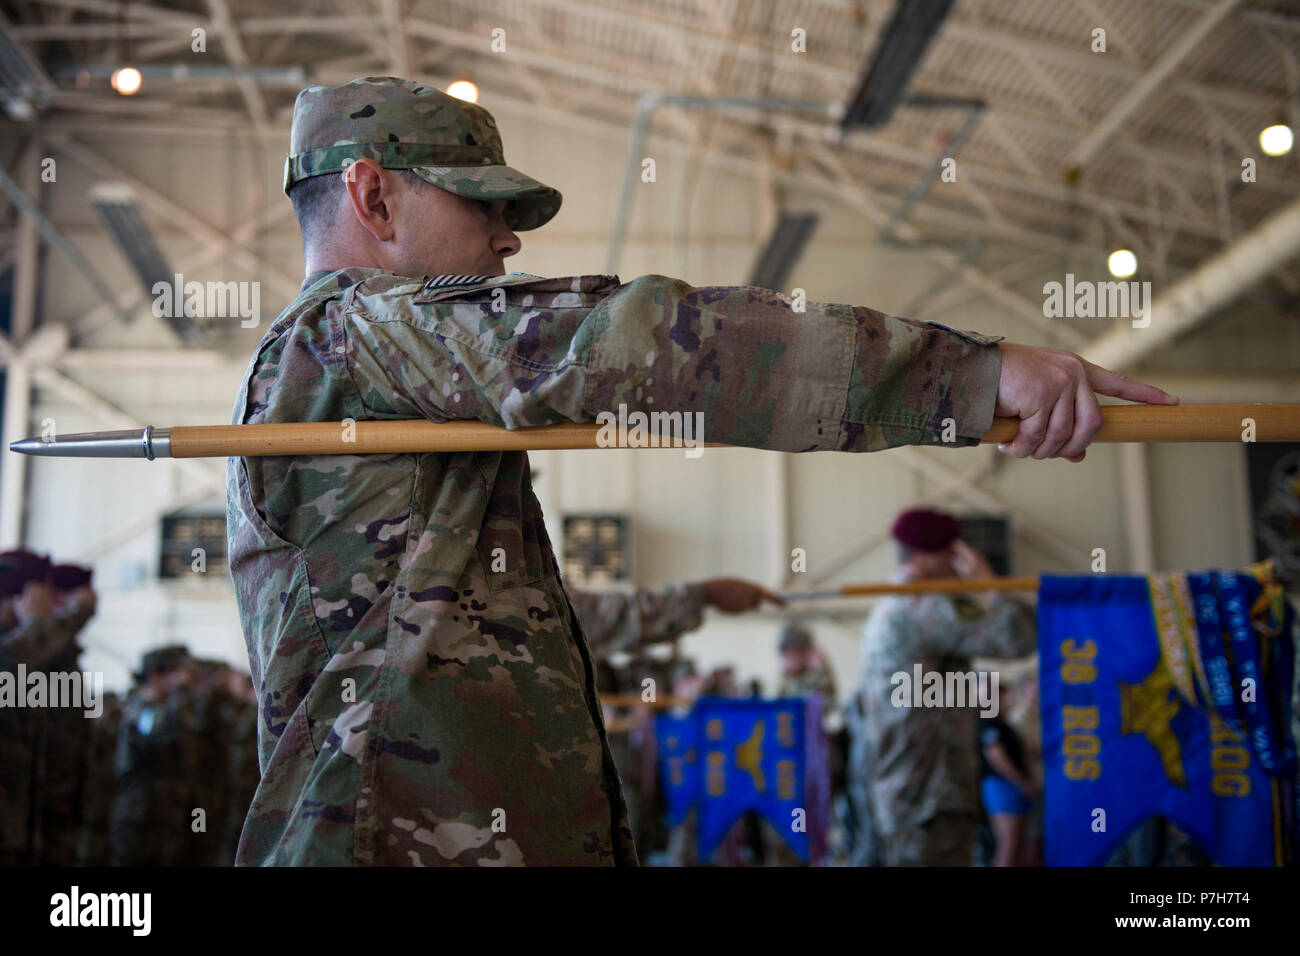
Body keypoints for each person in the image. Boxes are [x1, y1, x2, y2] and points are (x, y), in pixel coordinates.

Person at [226, 75, 1177, 866]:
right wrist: (969, 375)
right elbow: (638, 344)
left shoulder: (388, 376)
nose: (509, 238)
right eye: (481, 201)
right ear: (372, 196)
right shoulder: (353, 332)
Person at [854, 509, 1036, 866]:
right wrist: (989, 583)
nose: (957, 561)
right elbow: (1020, 638)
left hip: (913, 793)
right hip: (929, 799)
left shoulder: (898, 605)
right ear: (926, 556)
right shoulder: (924, 607)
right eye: (950, 552)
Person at [977, 682, 1036, 867]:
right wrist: (1020, 781)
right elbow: (996, 756)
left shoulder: (1004, 725)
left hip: (1010, 787)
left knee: (1017, 844)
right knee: (1008, 843)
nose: (1010, 701)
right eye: (1006, 697)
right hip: (1001, 786)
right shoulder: (989, 724)